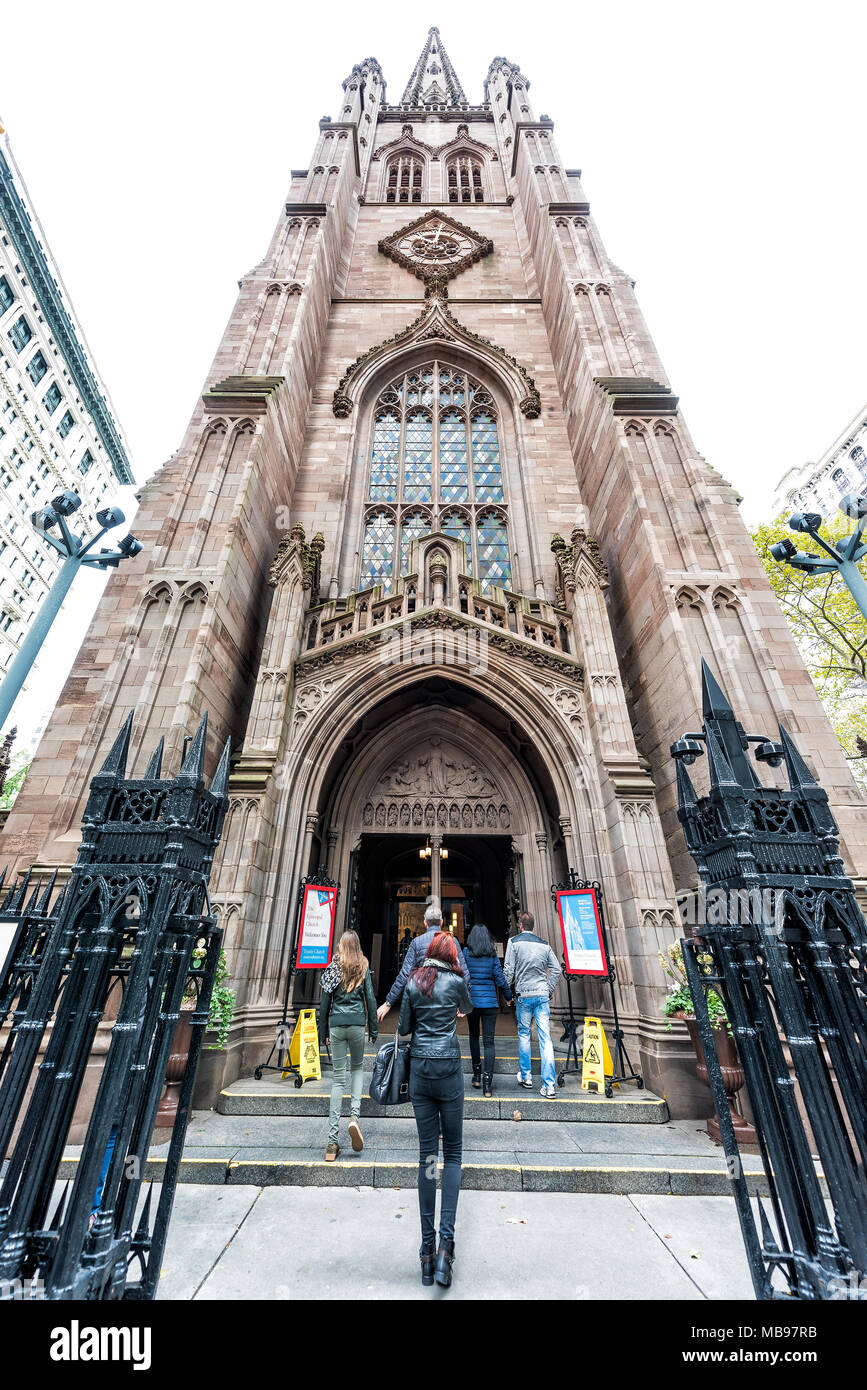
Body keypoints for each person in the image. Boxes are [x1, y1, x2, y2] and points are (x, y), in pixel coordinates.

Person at [398, 930, 473, 1290]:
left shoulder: (414, 981)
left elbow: (404, 1028)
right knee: (453, 1155)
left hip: (421, 1074)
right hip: (448, 1072)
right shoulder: (456, 981)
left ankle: (427, 1251)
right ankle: (446, 1248)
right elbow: (468, 1008)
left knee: (428, 1155)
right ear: (451, 954)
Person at [318, 930, 377, 1161]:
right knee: (357, 1069)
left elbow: (325, 1003)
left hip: (337, 1024)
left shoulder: (333, 966)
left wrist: (323, 1032)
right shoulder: (362, 964)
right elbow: (370, 998)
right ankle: (354, 1117)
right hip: (355, 1023)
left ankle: (332, 1143)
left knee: (338, 1080)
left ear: (341, 945)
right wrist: (373, 1028)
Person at [377, 902, 472, 1022]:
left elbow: (404, 974)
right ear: (441, 922)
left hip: (422, 998)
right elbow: (464, 973)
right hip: (446, 998)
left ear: (425, 923)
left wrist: (388, 1002)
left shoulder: (417, 942)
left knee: (422, 1031)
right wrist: (463, 1003)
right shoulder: (452, 941)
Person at [503, 911, 563, 1098]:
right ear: (532, 926)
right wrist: (548, 988)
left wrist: (507, 993)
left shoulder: (514, 942)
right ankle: (549, 1085)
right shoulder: (544, 945)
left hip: (523, 994)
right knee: (545, 1038)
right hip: (541, 994)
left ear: (520, 925)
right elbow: (556, 969)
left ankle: (527, 1076)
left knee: (524, 1033)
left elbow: (508, 970)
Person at [463, 923, 512, 1096]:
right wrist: (508, 995)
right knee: (489, 1042)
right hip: (490, 1003)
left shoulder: (466, 953)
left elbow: (463, 976)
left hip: (472, 1003)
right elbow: (500, 978)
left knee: (474, 1037)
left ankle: (476, 1075)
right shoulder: (492, 955)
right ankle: (487, 1084)